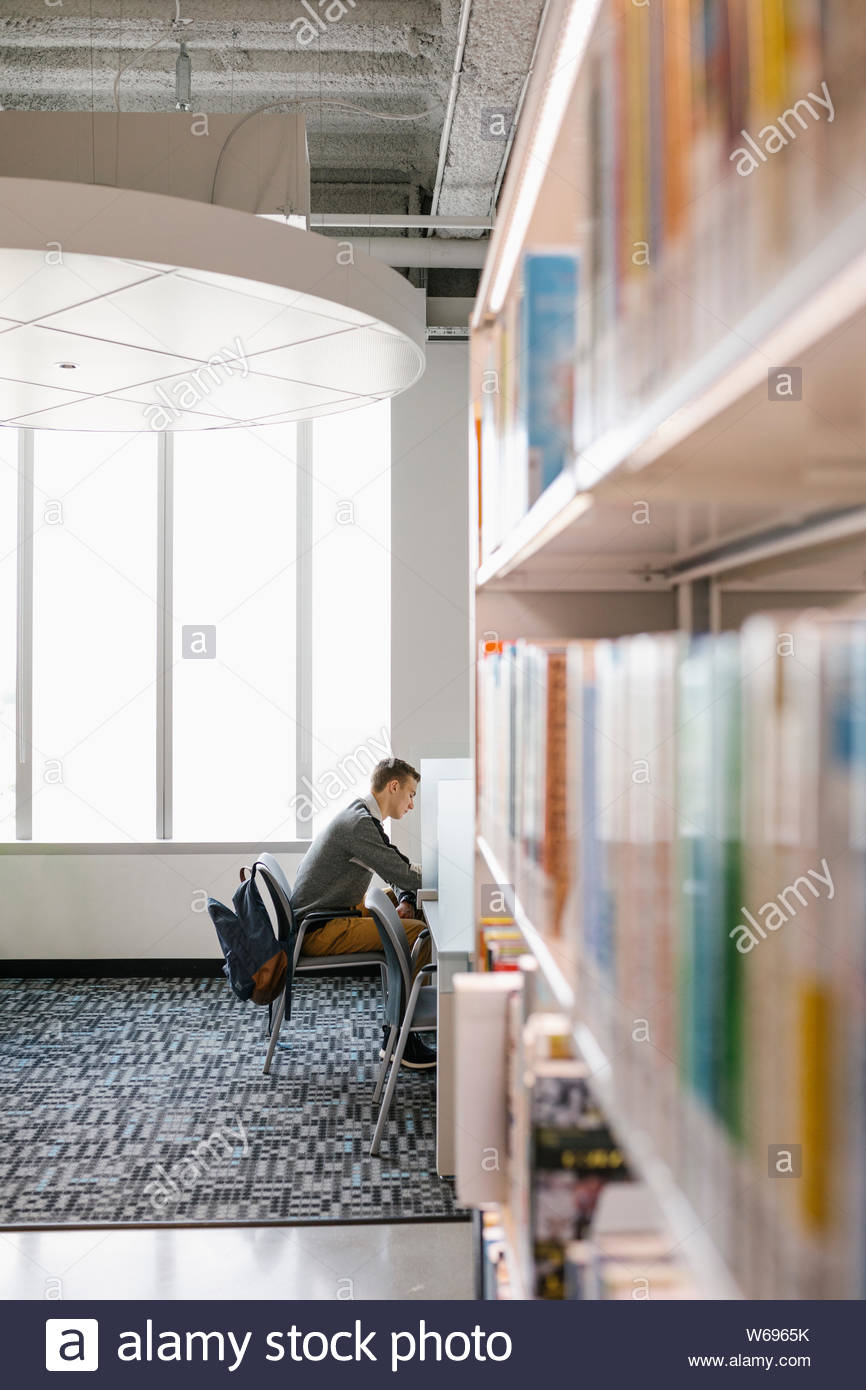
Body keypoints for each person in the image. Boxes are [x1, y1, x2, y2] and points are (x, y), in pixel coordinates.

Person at [290, 757, 435, 1069]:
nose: (411, 805)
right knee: (417, 934)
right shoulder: (360, 826)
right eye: (410, 794)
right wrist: (452, 873)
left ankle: (406, 1015)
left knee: (402, 908)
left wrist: (406, 896)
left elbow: (396, 867)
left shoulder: (362, 815)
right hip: (320, 928)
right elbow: (404, 871)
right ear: (393, 786)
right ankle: (401, 1037)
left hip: (331, 912)